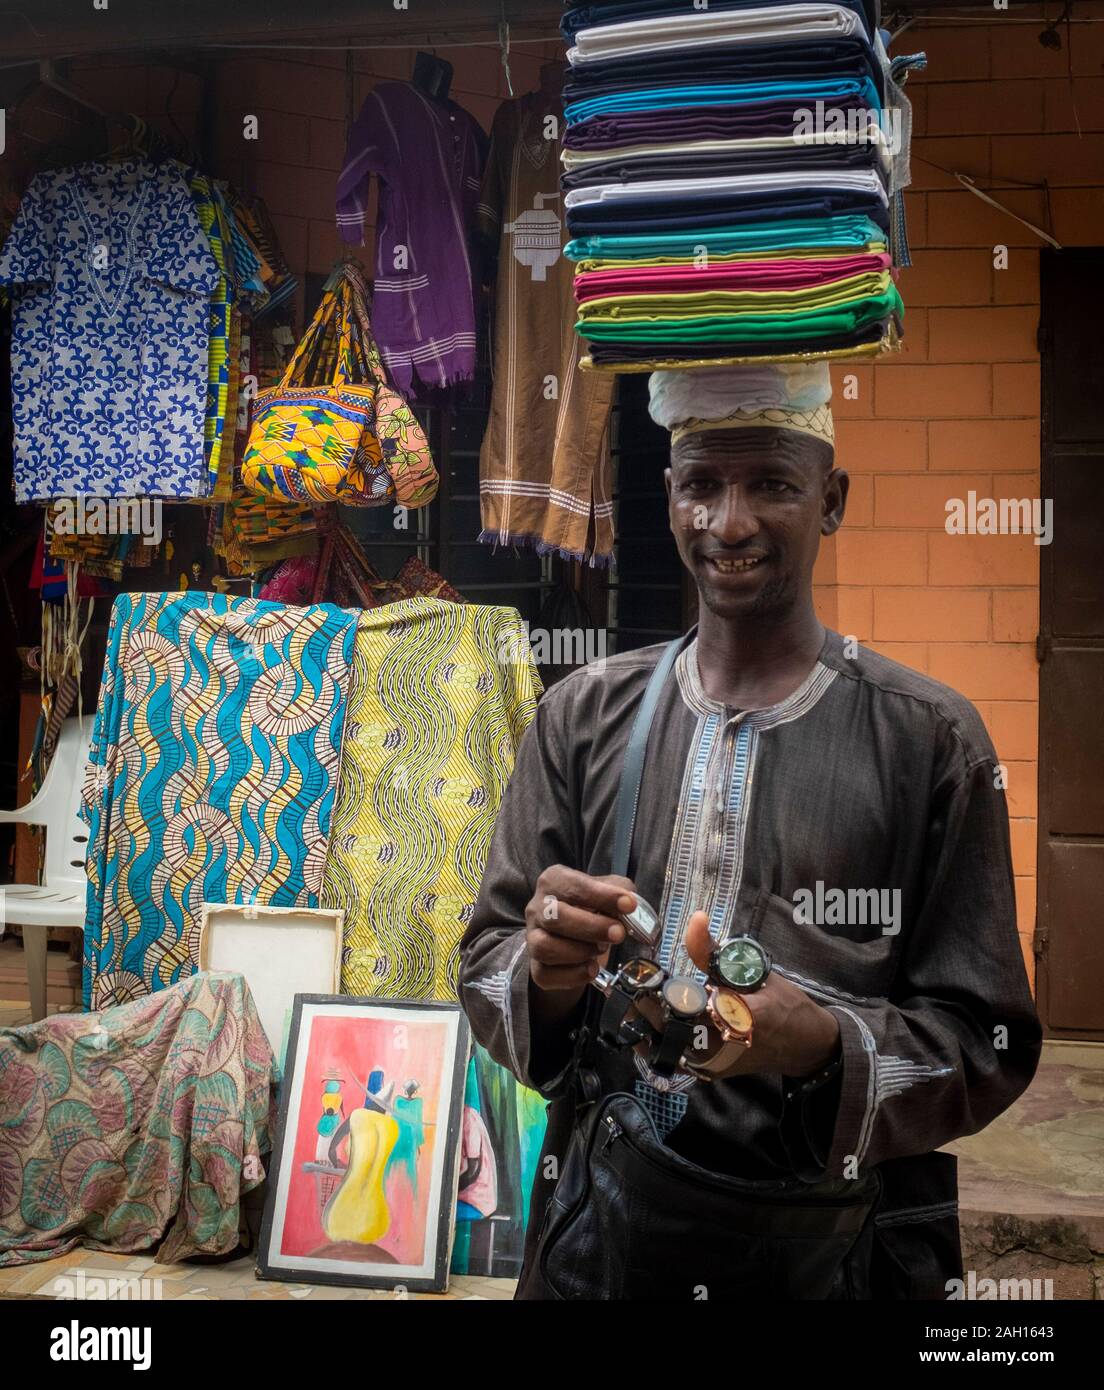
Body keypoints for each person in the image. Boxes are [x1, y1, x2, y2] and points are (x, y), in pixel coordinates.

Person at [459, 361, 1041, 1300]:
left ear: (833, 499)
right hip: (605, 1243)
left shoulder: (931, 741)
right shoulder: (579, 716)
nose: (728, 523)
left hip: (838, 1251)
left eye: (771, 483)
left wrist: (822, 1044)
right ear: (669, 497)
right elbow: (485, 955)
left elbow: (988, 1044)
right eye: (701, 486)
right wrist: (547, 976)